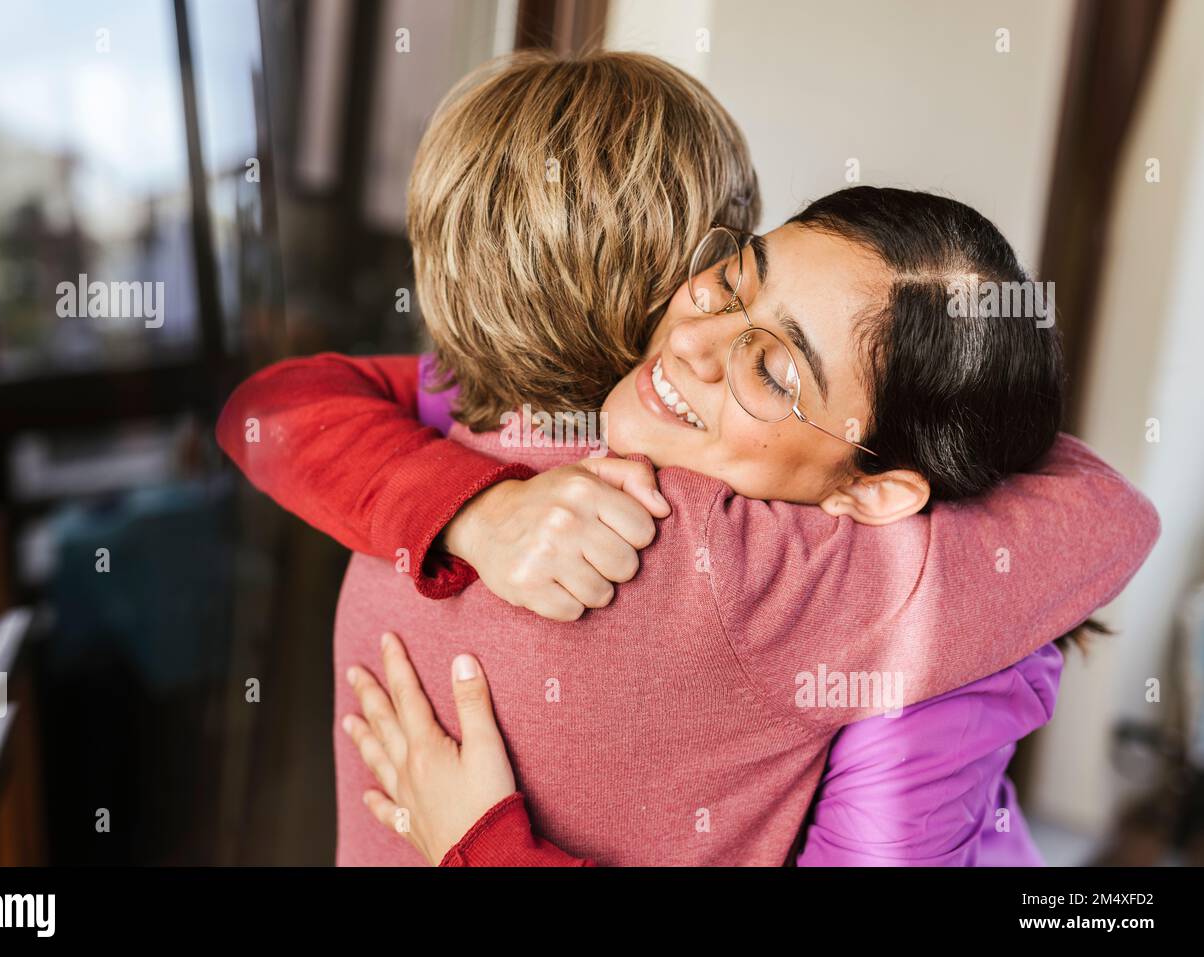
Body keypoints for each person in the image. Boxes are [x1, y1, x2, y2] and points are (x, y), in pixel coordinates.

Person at [217, 52, 1159, 865]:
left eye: (774, 367)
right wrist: (479, 509)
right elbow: (1112, 515)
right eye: (733, 273)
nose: (700, 343)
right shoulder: (752, 565)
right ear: (672, 279)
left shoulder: (394, 498)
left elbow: (265, 407)